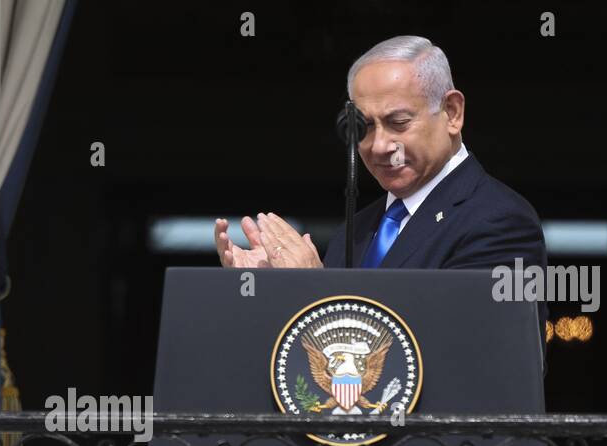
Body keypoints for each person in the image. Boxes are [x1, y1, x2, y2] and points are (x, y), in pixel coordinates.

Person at [213, 35, 548, 332]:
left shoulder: (500, 221)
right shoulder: (355, 232)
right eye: (364, 127)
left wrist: (315, 290)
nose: (379, 145)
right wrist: (276, 296)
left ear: (452, 112)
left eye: (398, 122)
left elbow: (474, 358)